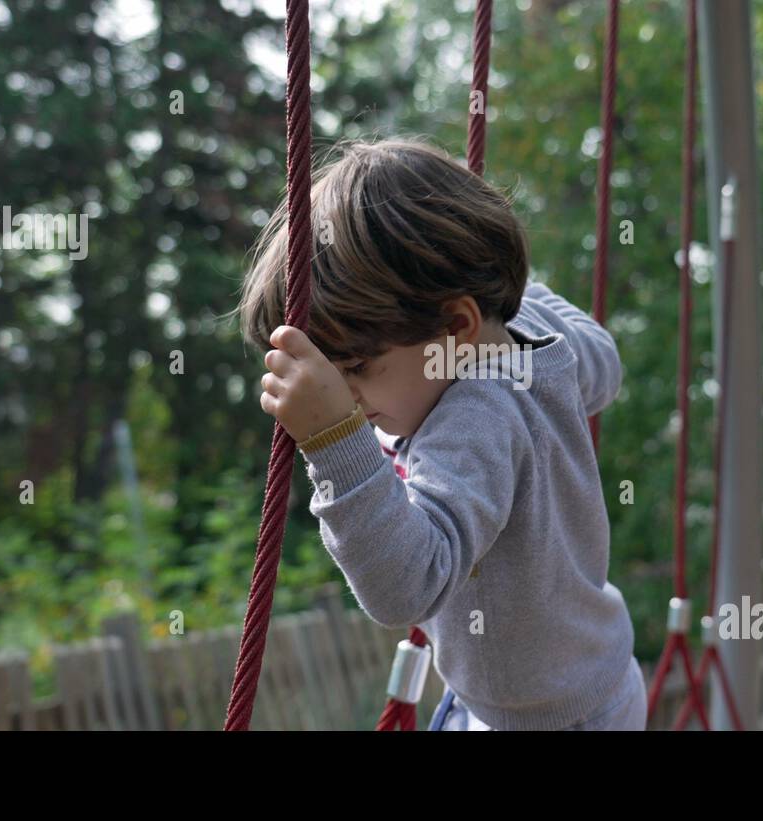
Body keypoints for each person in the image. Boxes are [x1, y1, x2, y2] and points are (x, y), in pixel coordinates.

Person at [239, 137, 646, 731]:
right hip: (587, 686)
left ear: (456, 326)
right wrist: (512, 297)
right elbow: (603, 364)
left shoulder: (475, 418)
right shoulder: (520, 339)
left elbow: (407, 585)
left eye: (355, 370)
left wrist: (334, 439)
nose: (346, 396)